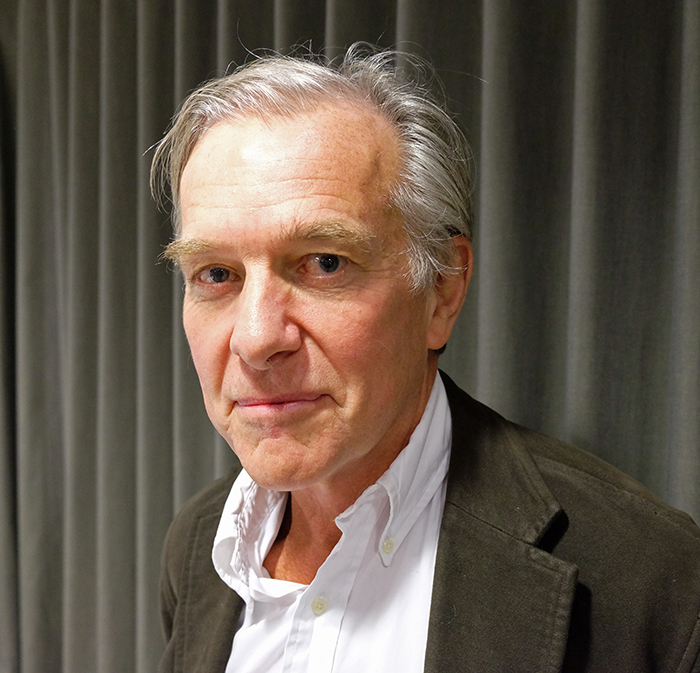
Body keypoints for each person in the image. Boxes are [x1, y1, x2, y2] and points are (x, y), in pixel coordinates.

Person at [151, 44, 700, 673]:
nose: (256, 338)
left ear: (442, 289)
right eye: (216, 273)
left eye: (325, 263)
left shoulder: (653, 580)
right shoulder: (199, 544)